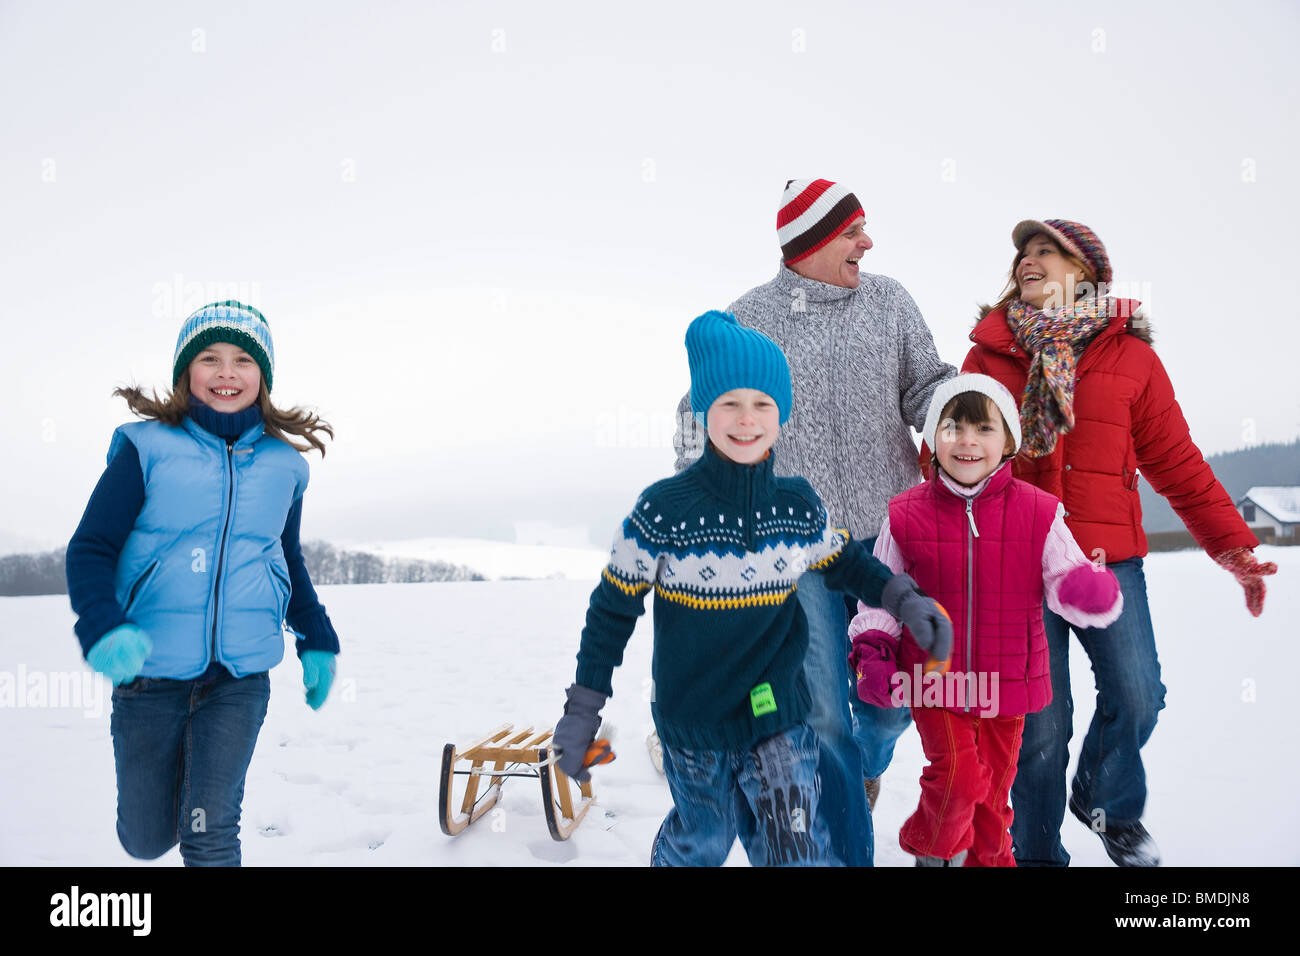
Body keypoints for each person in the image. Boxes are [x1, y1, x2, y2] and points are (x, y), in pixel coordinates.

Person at [555, 310, 953, 866]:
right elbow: (610, 613)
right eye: (729, 404)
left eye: (762, 404)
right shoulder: (662, 512)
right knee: (705, 840)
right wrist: (583, 710)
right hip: (694, 719)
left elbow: (846, 563)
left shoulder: (795, 505)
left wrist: (903, 599)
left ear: (782, 412)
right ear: (705, 411)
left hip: (779, 714)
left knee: (794, 847)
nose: (747, 419)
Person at [960, 220, 1278, 866]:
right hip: (1014, 563)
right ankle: (1037, 852)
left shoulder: (1131, 358)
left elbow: (1177, 462)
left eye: (1048, 250)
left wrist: (1232, 547)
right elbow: (960, 455)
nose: (1030, 259)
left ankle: (1107, 802)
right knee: (1040, 726)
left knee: (1138, 694)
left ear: (1087, 272)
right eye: (1025, 251)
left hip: (1108, 560)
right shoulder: (989, 356)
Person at [671, 179, 955, 865]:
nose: (868, 242)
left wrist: (969, 409)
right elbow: (694, 416)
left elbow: (927, 387)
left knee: (891, 704)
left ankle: (864, 766)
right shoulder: (747, 318)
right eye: (854, 230)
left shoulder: (889, 301)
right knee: (824, 717)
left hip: (889, 545)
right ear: (811, 242)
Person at [66, 300, 341, 867]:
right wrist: (102, 622)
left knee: (211, 831)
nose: (226, 373)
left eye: (243, 360)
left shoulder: (283, 466)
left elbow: (284, 556)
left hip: (240, 679)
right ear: (184, 373)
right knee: (145, 840)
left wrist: (316, 635)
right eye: (209, 358)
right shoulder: (147, 450)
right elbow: (91, 548)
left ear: (261, 376)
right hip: (151, 676)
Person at [849, 374, 1123, 866]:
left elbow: (1064, 574)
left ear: (1008, 441)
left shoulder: (1039, 512)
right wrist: (873, 650)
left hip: (1006, 683)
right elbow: (879, 591)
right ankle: (933, 850)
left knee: (992, 803)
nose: (967, 440)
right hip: (936, 680)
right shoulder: (905, 514)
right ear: (933, 439)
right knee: (958, 778)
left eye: (983, 428)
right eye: (952, 427)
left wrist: (1085, 588)